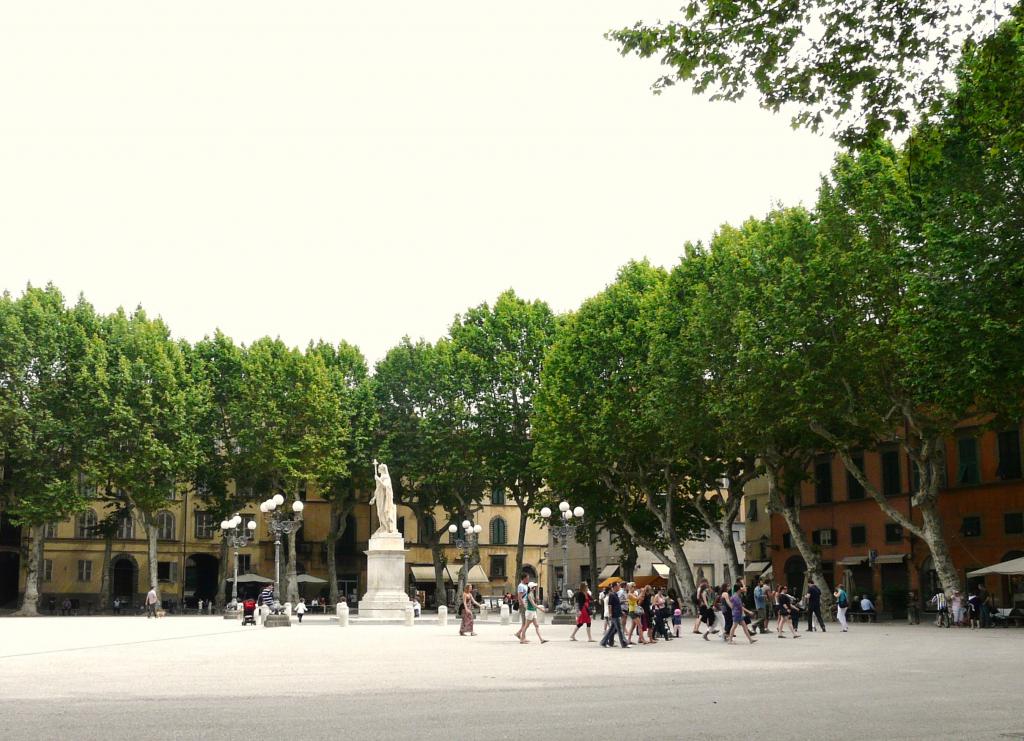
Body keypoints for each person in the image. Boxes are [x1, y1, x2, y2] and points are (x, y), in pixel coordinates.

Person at [599, 581, 629, 648]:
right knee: (619, 629)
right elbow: (610, 605)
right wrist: (610, 614)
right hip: (614, 615)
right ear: (615, 587)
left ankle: (603, 642)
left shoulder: (615, 594)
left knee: (611, 630)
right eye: (618, 586)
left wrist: (621, 612)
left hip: (617, 614)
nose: (619, 587)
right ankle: (624, 643)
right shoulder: (611, 594)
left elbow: (617, 604)